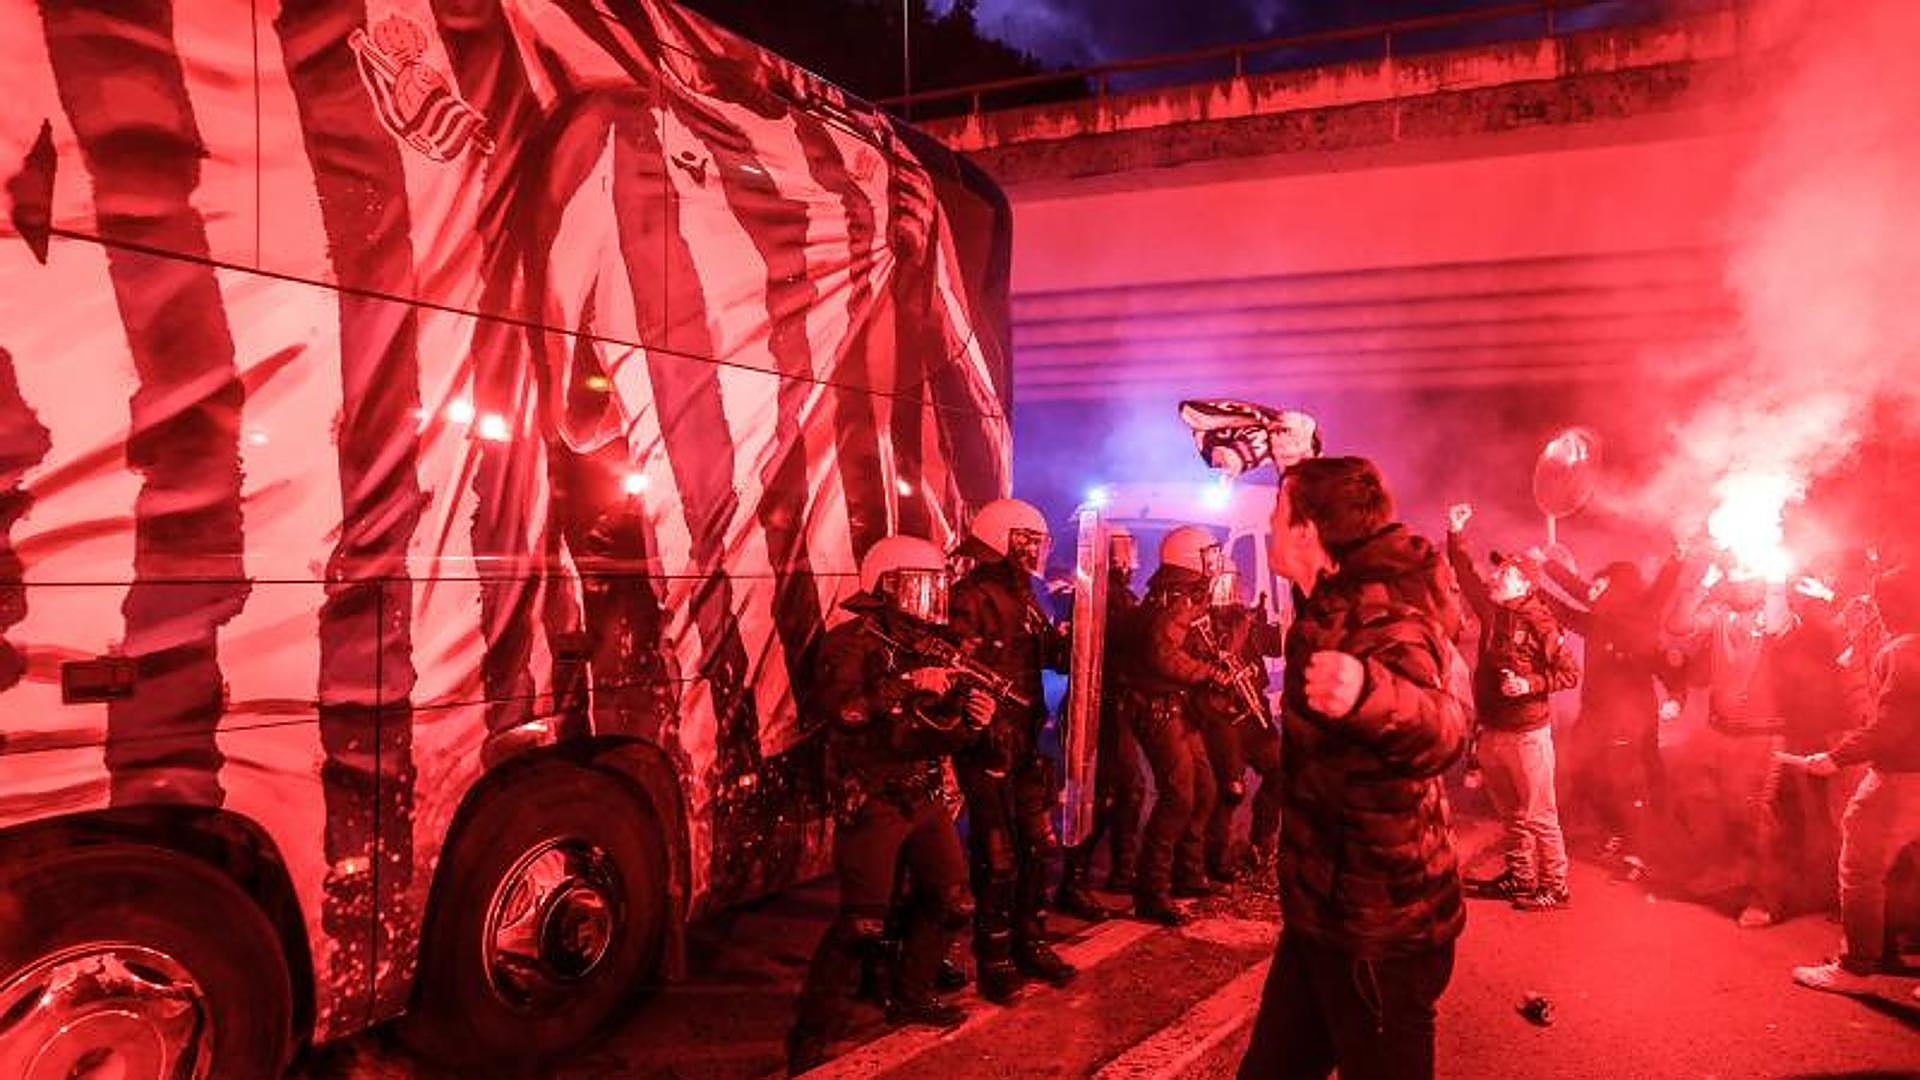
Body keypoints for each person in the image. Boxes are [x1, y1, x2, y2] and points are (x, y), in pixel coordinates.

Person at [1238, 457, 1469, 1080]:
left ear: (1307, 529)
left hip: (1380, 930)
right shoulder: (1333, 596)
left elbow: (1449, 730)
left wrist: (1372, 694)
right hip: (1325, 914)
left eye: (1278, 512)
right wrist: (1297, 453)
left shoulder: (1384, 614)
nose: (1269, 523)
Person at [788, 536, 995, 1074]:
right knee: (862, 923)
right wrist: (904, 685)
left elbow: (940, 734)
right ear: (885, 586)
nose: (930, 599)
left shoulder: (932, 644)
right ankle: (810, 1035)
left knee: (953, 901)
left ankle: (911, 995)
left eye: (935, 587)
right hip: (874, 795)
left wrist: (973, 720)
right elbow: (845, 713)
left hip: (922, 790)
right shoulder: (849, 644)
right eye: (917, 586)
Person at [949, 498, 1077, 1002]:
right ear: (1005, 537)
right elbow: (962, 670)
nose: (1037, 550)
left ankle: (1030, 942)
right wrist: (983, 731)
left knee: (1037, 849)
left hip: (1026, 738)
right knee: (997, 856)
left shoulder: (1030, 594)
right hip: (988, 742)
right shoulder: (970, 595)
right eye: (1028, 539)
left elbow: (1043, 655)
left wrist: (1070, 640)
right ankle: (994, 958)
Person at [1789, 565, 1920, 995]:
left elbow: (1892, 725)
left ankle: (1857, 966)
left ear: (1887, 605)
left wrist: (1835, 757)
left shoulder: (1902, 651)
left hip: (1903, 777)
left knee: (1861, 866)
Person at [1447, 504, 1580, 911]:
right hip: (1494, 730)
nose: (1495, 576)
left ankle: (1556, 885)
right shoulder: (1494, 613)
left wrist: (1529, 683)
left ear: (1524, 582)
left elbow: (1568, 674)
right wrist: (1455, 534)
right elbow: (1467, 576)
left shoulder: (1541, 621)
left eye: (1504, 572)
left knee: (1539, 814)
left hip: (1527, 734)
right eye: (1498, 570)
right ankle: (1521, 878)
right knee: (1511, 814)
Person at [1529, 551, 1684, 870]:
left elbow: (1662, 594)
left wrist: (1675, 560)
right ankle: (1617, 829)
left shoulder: (1641, 619)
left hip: (1632, 717)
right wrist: (1534, 583)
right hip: (1594, 714)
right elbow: (1562, 608)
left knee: (1630, 781)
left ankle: (1640, 849)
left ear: (1617, 588)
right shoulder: (1595, 622)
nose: (1592, 591)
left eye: (1599, 586)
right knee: (1586, 773)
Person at [1666, 560, 1796, 928]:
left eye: (1745, 571)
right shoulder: (1720, 614)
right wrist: (1702, 584)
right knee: (1712, 802)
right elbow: (1676, 626)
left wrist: (1775, 578)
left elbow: (1777, 624)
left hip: (1762, 732)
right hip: (1721, 729)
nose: (1737, 576)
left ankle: (1764, 899)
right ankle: (1729, 873)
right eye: (1734, 572)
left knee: (1754, 815)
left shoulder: (1776, 609)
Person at [1130, 525, 1233, 924]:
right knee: (1179, 796)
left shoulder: (1184, 596)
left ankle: (1186, 873)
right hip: (1159, 709)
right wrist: (1207, 673)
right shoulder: (1174, 600)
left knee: (1204, 789)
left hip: (1177, 708)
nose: (1213, 561)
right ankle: (1150, 891)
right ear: (1190, 558)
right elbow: (1162, 656)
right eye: (1206, 554)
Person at [1057, 527, 1149, 917]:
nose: (1127, 560)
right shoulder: (1098, 596)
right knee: (1103, 793)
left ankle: (1120, 870)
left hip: (1114, 705)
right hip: (1100, 706)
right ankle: (1074, 881)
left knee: (1123, 789)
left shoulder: (1113, 596)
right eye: (1121, 551)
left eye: (1129, 551)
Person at [1194, 573, 1286, 883]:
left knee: (1281, 771)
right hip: (1224, 721)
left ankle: (1261, 843)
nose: (1236, 594)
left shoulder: (1250, 624)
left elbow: (1279, 644)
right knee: (1230, 790)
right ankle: (1212, 859)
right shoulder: (1204, 626)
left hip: (1254, 716)